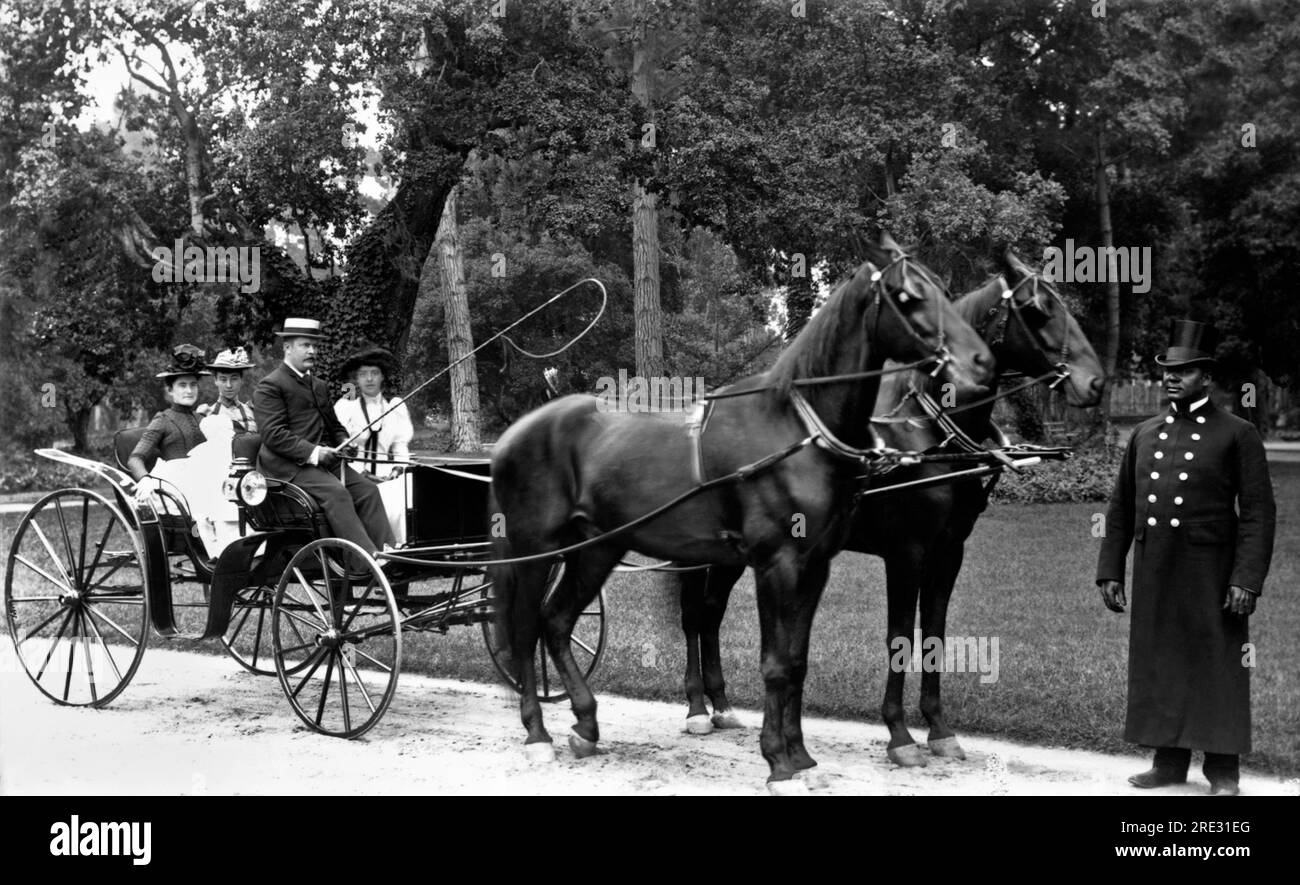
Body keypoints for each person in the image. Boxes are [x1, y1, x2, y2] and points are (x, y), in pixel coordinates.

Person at [1096, 319, 1276, 796]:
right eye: (1167, 370)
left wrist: (1247, 579)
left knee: (1217, 665)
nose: (1171, 378)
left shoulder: (1237, 433)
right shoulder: (1145, 433)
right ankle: (1168, 763)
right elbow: (1120, 506)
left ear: (1207, 377)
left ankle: (1223, 772)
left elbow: (1258, 514)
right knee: (1161, 660)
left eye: (1184, 370)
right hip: (1156, 567)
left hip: (1211, 573)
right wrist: (1110, 569)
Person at [252, 317, 392, 571]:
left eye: (314, 346)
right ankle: (367, 564)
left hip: (321, 466)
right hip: (286, 469)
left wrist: (342, 442)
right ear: (287, 348)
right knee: (336, 494)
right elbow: (273, 435)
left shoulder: (319, 386)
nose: (312, 351)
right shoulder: (270, 385)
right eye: (306, 345)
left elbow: (334, 426)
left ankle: (389, 557)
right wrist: (316, 452)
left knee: (369, 491)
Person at [129, 345, 240, 557]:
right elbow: (135, 457)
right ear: (170, 391)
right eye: (182, 385)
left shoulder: (202, 420)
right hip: (178, 485)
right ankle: (218, 552)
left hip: (202, 481)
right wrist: (144, 478)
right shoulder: (163, 420)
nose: (189, 391)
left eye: (193, 385)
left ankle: (234, 551)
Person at [333, 345, 413, 546]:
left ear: (382, 377)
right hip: (355, 476)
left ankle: (405, 547)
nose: (369, 379)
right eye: (363, 374)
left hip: (389, 476)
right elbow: (339, 444)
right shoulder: (346, 406)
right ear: (356, 379)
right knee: (377, 496)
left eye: (374, 373)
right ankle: (384, 547)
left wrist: (398, 469)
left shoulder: (395, 406)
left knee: (410, 495)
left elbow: (401, 449)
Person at [198, 345, 258, 434]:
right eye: (223, 379)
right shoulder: (206, 414)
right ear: (215, 381)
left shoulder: (252, 411)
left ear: (241, 380)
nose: (229, 385)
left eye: (234, 379)